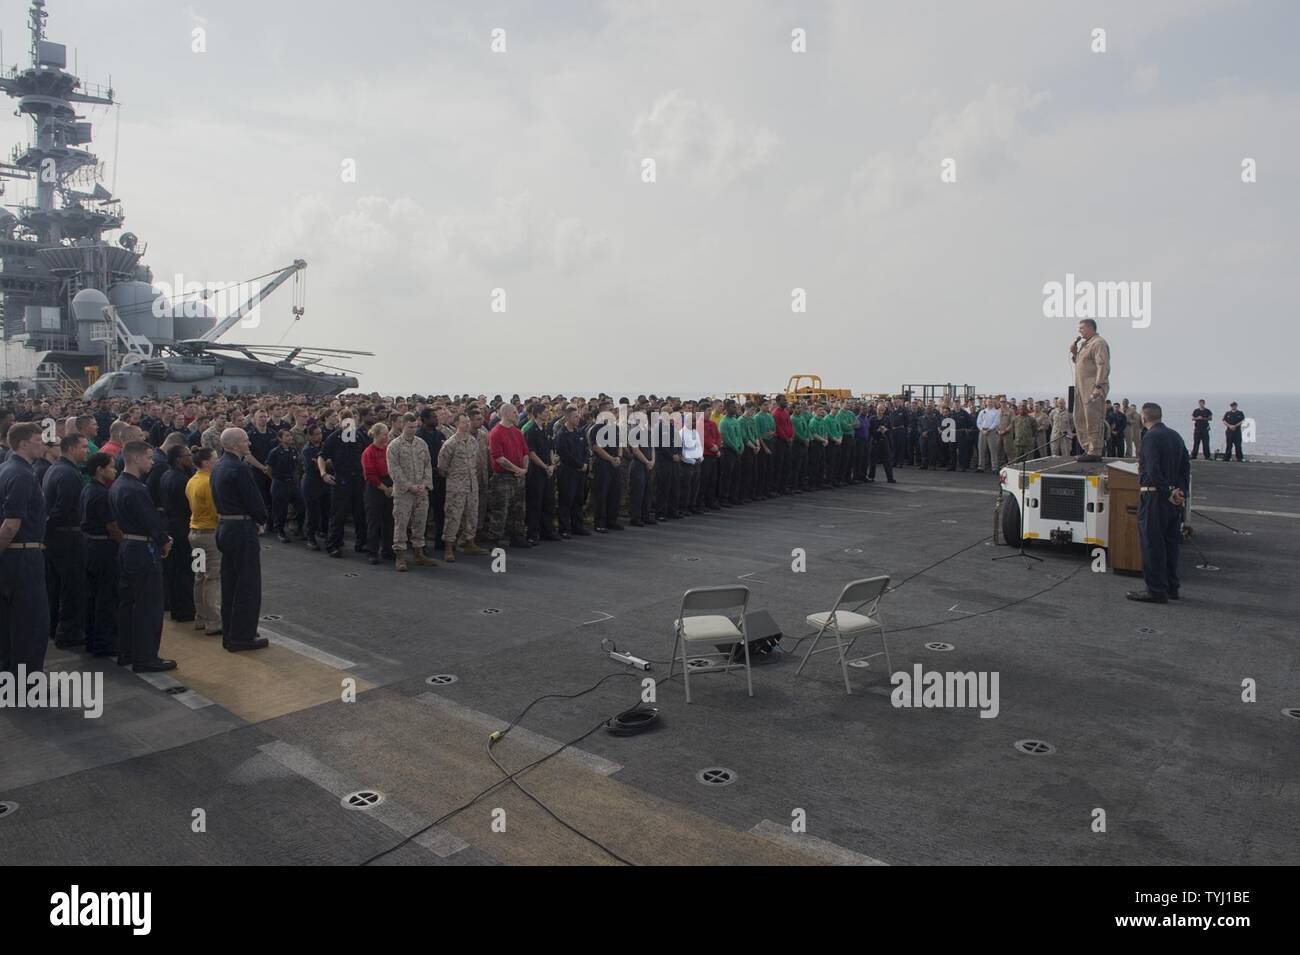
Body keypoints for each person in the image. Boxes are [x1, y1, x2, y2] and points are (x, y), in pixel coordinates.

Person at [108, 441, 175, 671]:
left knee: (129, 604)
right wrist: (164, 540)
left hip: (127, 546)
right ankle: (146, 657)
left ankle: (127, 650)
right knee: (148, 605)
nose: (152, 461)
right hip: (142, 549)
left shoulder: (118, 484)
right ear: (135, 459)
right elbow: (150, 522)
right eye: (148, 457)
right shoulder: (136, 488)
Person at [210, 428, 269, 652]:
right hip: (241, 528)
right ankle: (242, 637)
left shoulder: (218, 466)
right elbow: (253, 500)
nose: (249, 444)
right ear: (235, 445)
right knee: (247, 585)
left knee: (230, 583)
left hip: (225, 525)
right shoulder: (240, 468)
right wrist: (261, 518)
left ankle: (231, 632)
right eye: (245, 441)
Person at [1126, 403, 1190, 604]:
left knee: (1152, 545)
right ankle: (1172, 587)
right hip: (1173, 500)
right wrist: (1179, 492)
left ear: (1144, 418)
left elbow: (1153, 470)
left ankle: (1155, 590)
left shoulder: (1150, 437)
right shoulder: (1175, 436)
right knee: (1171, 545)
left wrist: (1167, 493)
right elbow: (1185, 467)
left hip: (1154, 498)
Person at [0, 422, 51, 673]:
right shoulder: (21, 474)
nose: (42, 443)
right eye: (38, 440)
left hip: (14, 556)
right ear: (22, 443)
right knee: (30, 622)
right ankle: (27, 680)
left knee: (9, 623)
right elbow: (11, 525)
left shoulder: (6, 469)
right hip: (22, 555)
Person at [42, 431, 89, 649]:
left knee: (56, 585)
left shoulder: (55, 469)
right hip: (67, 536)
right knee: (71, 586)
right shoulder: (68, 474)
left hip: (56, 536)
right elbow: (64, 508)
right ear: (70, 448)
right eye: (83, 447)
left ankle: (54, 626)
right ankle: (68, 631)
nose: (86, 451)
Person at [81, 452, 121, 655]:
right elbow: (113, 527)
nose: (114, 470)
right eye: (112, 466)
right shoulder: (101, 494)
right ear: (100, 470)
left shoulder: (89, 489)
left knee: (94, 596)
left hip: (90, 547)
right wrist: (124, 542)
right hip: (104, 549)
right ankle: (104, 642)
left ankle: (93, 639)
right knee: (106, 597)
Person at [386, 413, 435, 571]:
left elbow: (428, 465)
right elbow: (394, 470)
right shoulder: (394, 446)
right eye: (410, 427)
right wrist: (409, 486)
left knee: (420, 522)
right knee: (401, 523)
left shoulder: (421, 444)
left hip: (421, 491)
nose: (413, 430)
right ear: (403, 425)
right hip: (403, 492)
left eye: (415, 427)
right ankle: (400, 556)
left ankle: (418, 553)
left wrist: (425, 484)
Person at [438, 413, 488, 559]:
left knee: (472, 516)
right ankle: (448, 547)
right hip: (456, 487)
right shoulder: (450, 444)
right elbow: (442, 467)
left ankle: (469, 542)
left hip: (472, 485)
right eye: (463, 422)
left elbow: (477, 463)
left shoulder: (473, 441)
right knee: (453, 517)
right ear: (456, 424)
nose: (467, 424)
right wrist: (456, 478)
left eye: (467, 422)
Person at [186, 447, 222, 635]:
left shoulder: (192, 480)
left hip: (195, 533)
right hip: (209, 534)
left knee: (199, 575)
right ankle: (213, 621)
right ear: (206, 462)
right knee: (212, 577)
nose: (218, 461)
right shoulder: (208, 483)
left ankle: (200, 616)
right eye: (215, 458)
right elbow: (216, 510)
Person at [322, 413, 369, 558]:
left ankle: (362, 543)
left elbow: (366, 454)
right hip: (342, 480)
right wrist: (324, 473)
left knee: (360, 513)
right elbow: (322, 456)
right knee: (338, 514)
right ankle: (333, 545)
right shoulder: (333, 438)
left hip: (358, 480)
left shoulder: (359, 437)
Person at [159, 443, 197, 622]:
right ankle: (186, 609)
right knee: (188, 568)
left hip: (172, 524)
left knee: (175, 569)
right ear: (179, 459)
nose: (191, 458)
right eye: (188, 455)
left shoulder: (167, 475)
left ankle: (177, 606)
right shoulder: (182, 480)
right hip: (183, 526)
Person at [486, 402, 530, 547]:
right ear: (505, 414)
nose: (517, 415)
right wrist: (516, 469)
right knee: (500, 509)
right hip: (503, 477)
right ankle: (495, 538)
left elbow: (525, 452)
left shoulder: (517, 432)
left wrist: (524, 469)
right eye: (514, 413)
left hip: (518, 476)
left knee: (519, 508)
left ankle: (517, 536)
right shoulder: (496, 432)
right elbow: (499, 458)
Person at [1069, 318, 1110, 461]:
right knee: (1079, 417)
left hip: (1093, 388)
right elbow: (1081, 364)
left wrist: (1099, 385)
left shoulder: (1098, 343)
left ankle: (1095, 451)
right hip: (1081, 388)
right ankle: (1088, 449)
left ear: (1091, 328)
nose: (1079, 331)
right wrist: (1075, 353)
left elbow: (1102, 365)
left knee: (1093, 418)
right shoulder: (1084, 345)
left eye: (1081, 328)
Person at [523, 403, 559, 542]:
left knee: (548, 501)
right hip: (536, 471)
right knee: (535, 503)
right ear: (537, 414)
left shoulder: (545, 429)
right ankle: (532, 533)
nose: (547, 414)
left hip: (547, 470)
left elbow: (550, 448)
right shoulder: (530, 430)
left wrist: (551, 465)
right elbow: (531, 452)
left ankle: (547, 530)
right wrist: (545, 466)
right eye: (544, 412)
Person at [361, 423, 396, 565]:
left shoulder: (388, 449)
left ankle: (387, 550)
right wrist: (385, 488)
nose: (386, 437)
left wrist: (392, 486)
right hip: (375, 489)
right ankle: (372, 552)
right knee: (374, 522)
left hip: (389, 484)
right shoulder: (368, 452)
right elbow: (370, 475)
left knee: (389, 521)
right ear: (376, 435)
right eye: (384, 434)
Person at [554, 405, 590, 539]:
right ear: (568, 418)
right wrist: (580, 465)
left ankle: (577, 526)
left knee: (578, 499)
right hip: (568, 472)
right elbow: (564, 455)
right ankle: (564, 528)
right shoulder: (561, 434)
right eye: (575, 416)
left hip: (580, 472)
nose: (578, 418)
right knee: (566, 500)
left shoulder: (579, 432)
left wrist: (585, 463)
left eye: (578, 416)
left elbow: (586, 449)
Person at [266, 429, 304, 543]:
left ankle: (299, 528)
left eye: (290, 435)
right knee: (280, 510)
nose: (290, 437)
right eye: (287, 436)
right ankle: (280, 531)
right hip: (280, 483)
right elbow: (268, 469)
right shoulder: (275, 452)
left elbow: (297, 466)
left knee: (301, 506)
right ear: (280, 438)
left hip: (292, 483)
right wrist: (275, 479)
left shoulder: (293, 450)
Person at [299, 426, 327, 550]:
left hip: (324, 483)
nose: (319, 436)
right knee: (312, 513)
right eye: (316, 434)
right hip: (311, 483)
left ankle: (324, 533)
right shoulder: (307, 450)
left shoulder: (324, 446)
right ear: (310, 436)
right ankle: (311, 537)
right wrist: (325, 462)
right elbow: (317, 465)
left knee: (326, 510)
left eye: (320, 433)